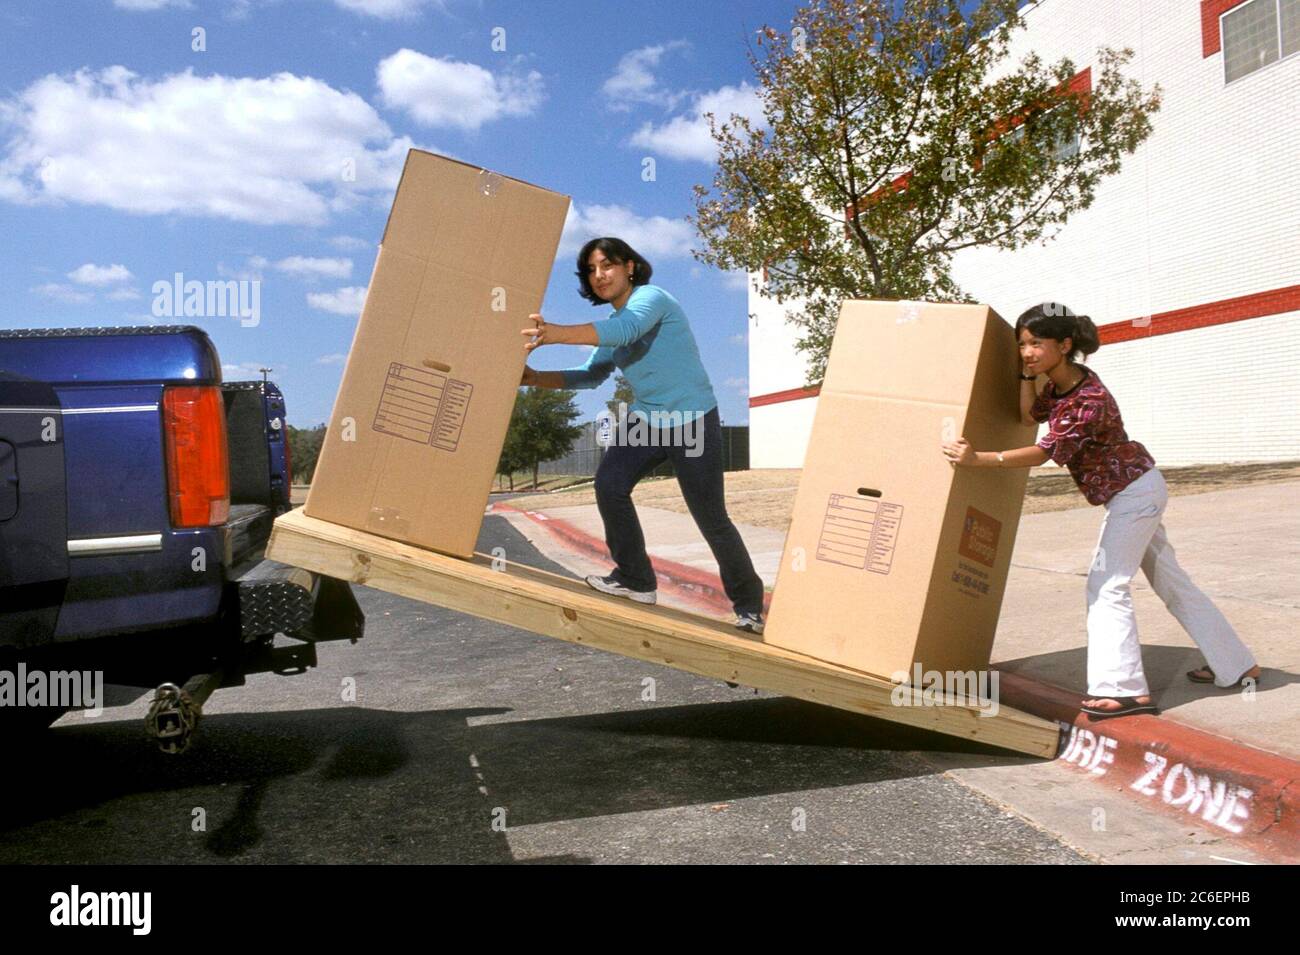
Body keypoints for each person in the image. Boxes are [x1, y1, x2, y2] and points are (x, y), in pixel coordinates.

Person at [940, 302, 1260, 720]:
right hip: (1134, 491)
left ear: (1065, 344)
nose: (1027, 352)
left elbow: (1043, 452)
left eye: (1037, 343)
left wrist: (979, 458)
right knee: (1170, 580)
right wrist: (1025, 375)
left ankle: (1124, 690)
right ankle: (1236, 664)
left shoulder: (1087, 398)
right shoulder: (1058, 387)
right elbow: (1026, 414)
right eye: (1022, 344)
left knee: (1106, 584)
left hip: (1135, 495)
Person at [518, 236, 767, 634]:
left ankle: (750, 606)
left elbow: (628, 330)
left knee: (711, 518)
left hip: (691, 417)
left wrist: (555, 333)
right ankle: (635, 579)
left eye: (608, 265)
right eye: (591, 270)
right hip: (647, 420)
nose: (599, 276)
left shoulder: (653, 300)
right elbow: (591, 375)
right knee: (609, 485)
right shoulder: (612, 326)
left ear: (629, 266)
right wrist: (535, 379)